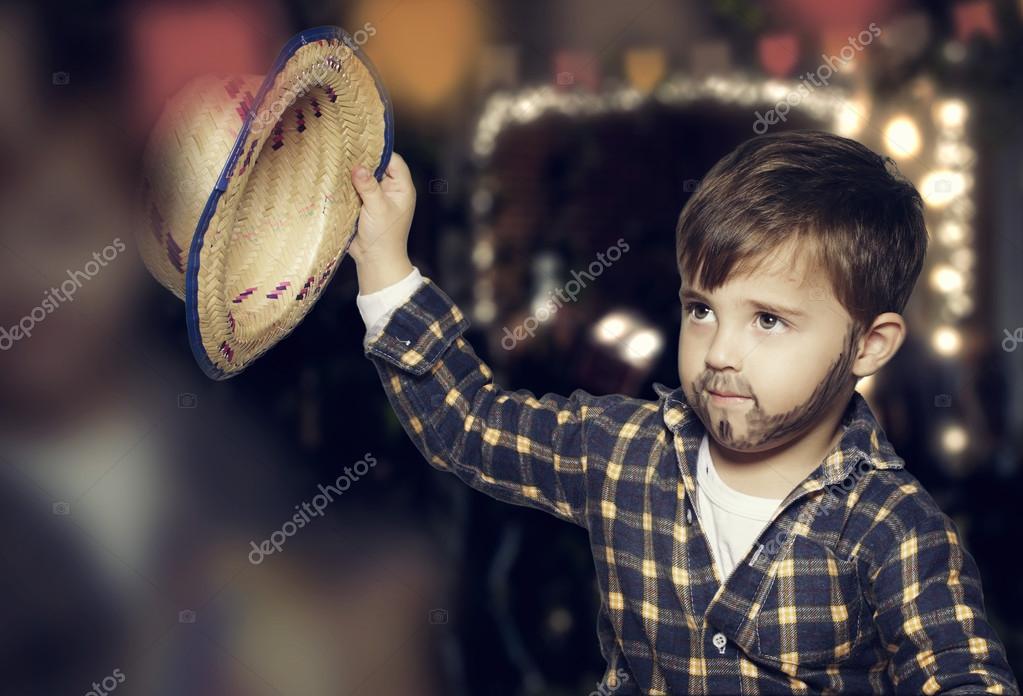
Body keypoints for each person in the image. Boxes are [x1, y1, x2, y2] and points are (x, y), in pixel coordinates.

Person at [346, 131, 1019, 694]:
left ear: (867, 345)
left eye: (767, 320)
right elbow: (471, 426)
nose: (719, 351)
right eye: (701, 309)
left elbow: (960, 674)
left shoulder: (894, 527)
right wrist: (383, 263)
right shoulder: (620, 452)